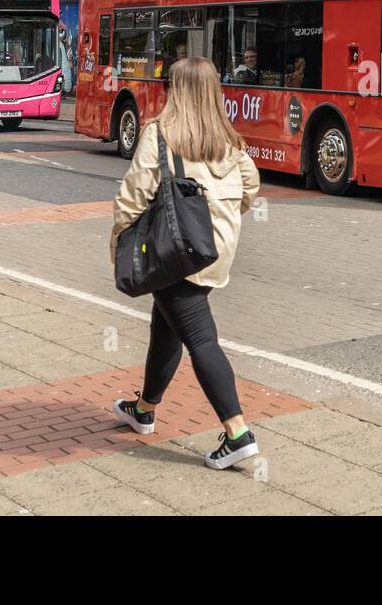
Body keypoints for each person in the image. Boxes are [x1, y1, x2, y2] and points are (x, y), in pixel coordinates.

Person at [110, 57, 263, 470]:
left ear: (174, 91)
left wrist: (120, 245)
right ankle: (143, 409)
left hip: (174, 252)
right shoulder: (229, 141)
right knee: (167, 325)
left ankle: (238, 433)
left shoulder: (160, 134)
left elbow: (133, 195)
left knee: (200, 338)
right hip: (213, 253)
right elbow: (251, 188)